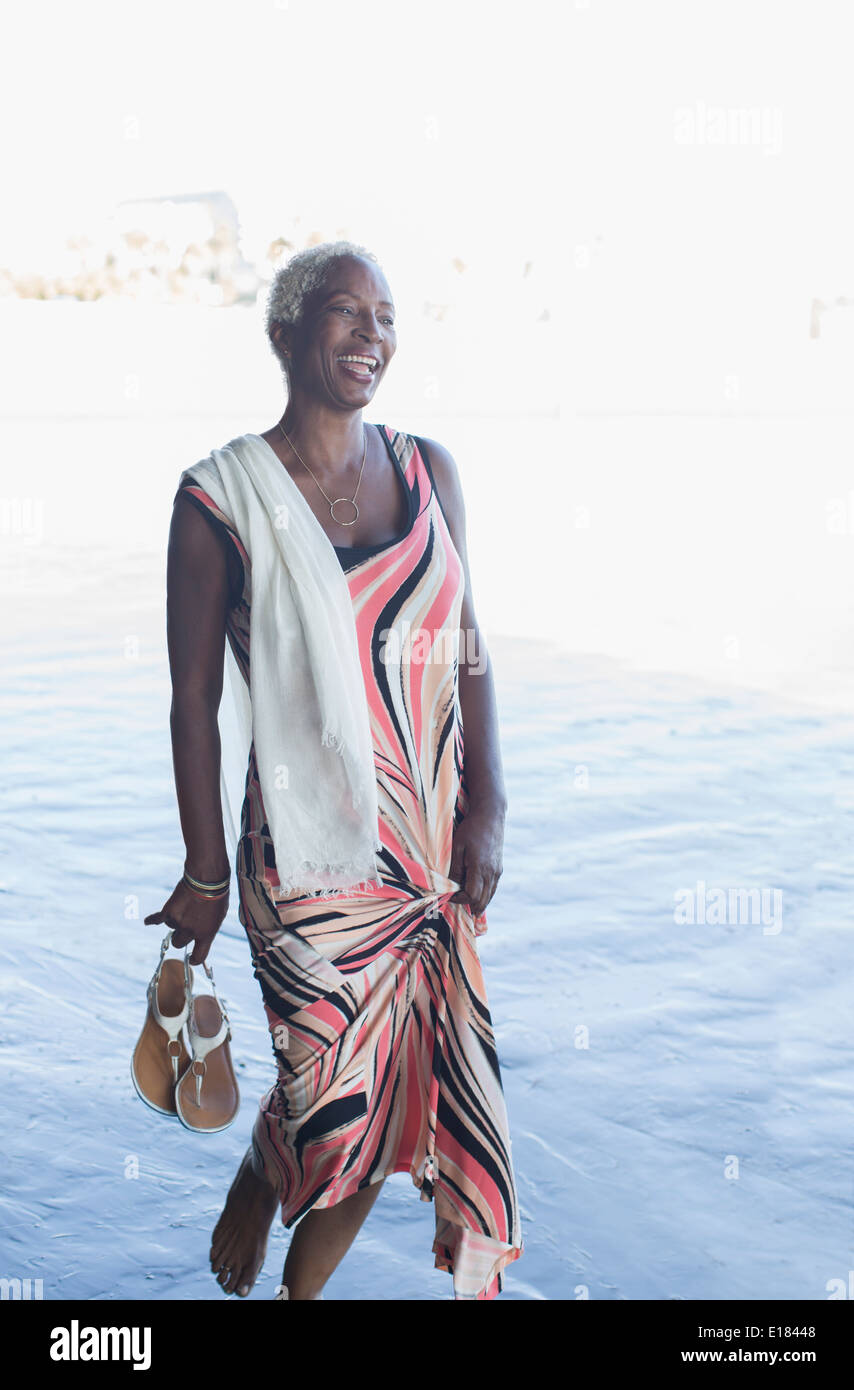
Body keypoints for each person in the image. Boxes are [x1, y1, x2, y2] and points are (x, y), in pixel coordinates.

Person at [145, 241, 523, 1300]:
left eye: (387, 316)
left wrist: (489, 803)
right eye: (344, 312)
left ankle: (280, 1245)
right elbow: (193, 703)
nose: (372, 334)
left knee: (395, 1092)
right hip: (302, 863)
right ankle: (269, 1175)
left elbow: (470, 641)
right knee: (333, 1095)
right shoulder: (217, 500)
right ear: (285, 332)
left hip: (426, 847)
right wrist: (207, 872)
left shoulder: (426, 470)